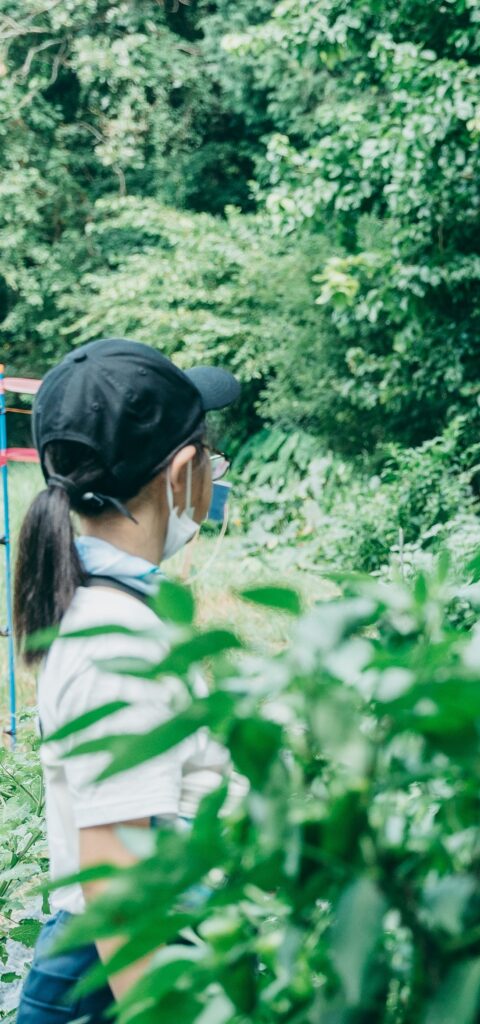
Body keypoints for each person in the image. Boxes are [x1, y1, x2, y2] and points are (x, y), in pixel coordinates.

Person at [15, 338, 244, 1023]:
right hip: (116, 979)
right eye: (208, 454)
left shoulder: (106, 611)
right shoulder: (115, 641)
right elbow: (117, 886)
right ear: (182, 473)